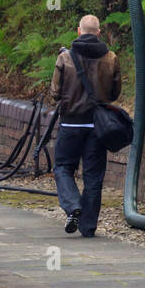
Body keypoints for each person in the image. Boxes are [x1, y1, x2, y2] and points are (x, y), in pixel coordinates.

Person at [49, 14, 121, 237]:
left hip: (71, 124)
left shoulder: (65, 58)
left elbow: (55, 93)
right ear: (99, 33)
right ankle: (88, 227)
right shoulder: (111, 58)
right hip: (97, 127)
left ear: (78, 31)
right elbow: (114, 93)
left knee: (63, 167)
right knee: (93, 177)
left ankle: (72, 206)